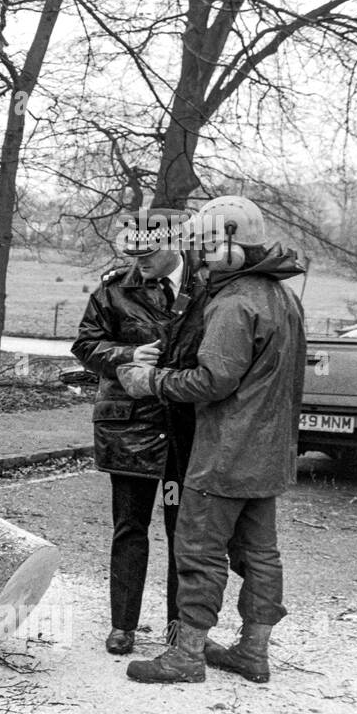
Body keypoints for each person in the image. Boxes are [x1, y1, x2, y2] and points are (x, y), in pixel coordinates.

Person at [117, 195, 306, 684]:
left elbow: (212, 381)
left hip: (225, 454)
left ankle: (186, 656)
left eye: (202, 247)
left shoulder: (234, 303)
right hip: (270, 455)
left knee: (198, 552)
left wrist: (151, 382)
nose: (196, 257)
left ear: (227, 245)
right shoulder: (282, 297)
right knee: (262, 555)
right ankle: (253, 651)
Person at [73, 208, 209, 655]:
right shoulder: (115, 290)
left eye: (147, 252)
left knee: (180, 530)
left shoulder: (206, 286)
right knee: (130, 527)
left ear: (176, 244)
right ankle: (122, 626)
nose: (139, 260)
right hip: (130, 434)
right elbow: (85, 344)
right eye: (132, 251)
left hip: (183, 434)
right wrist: (128, 354)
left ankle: (177, 628)